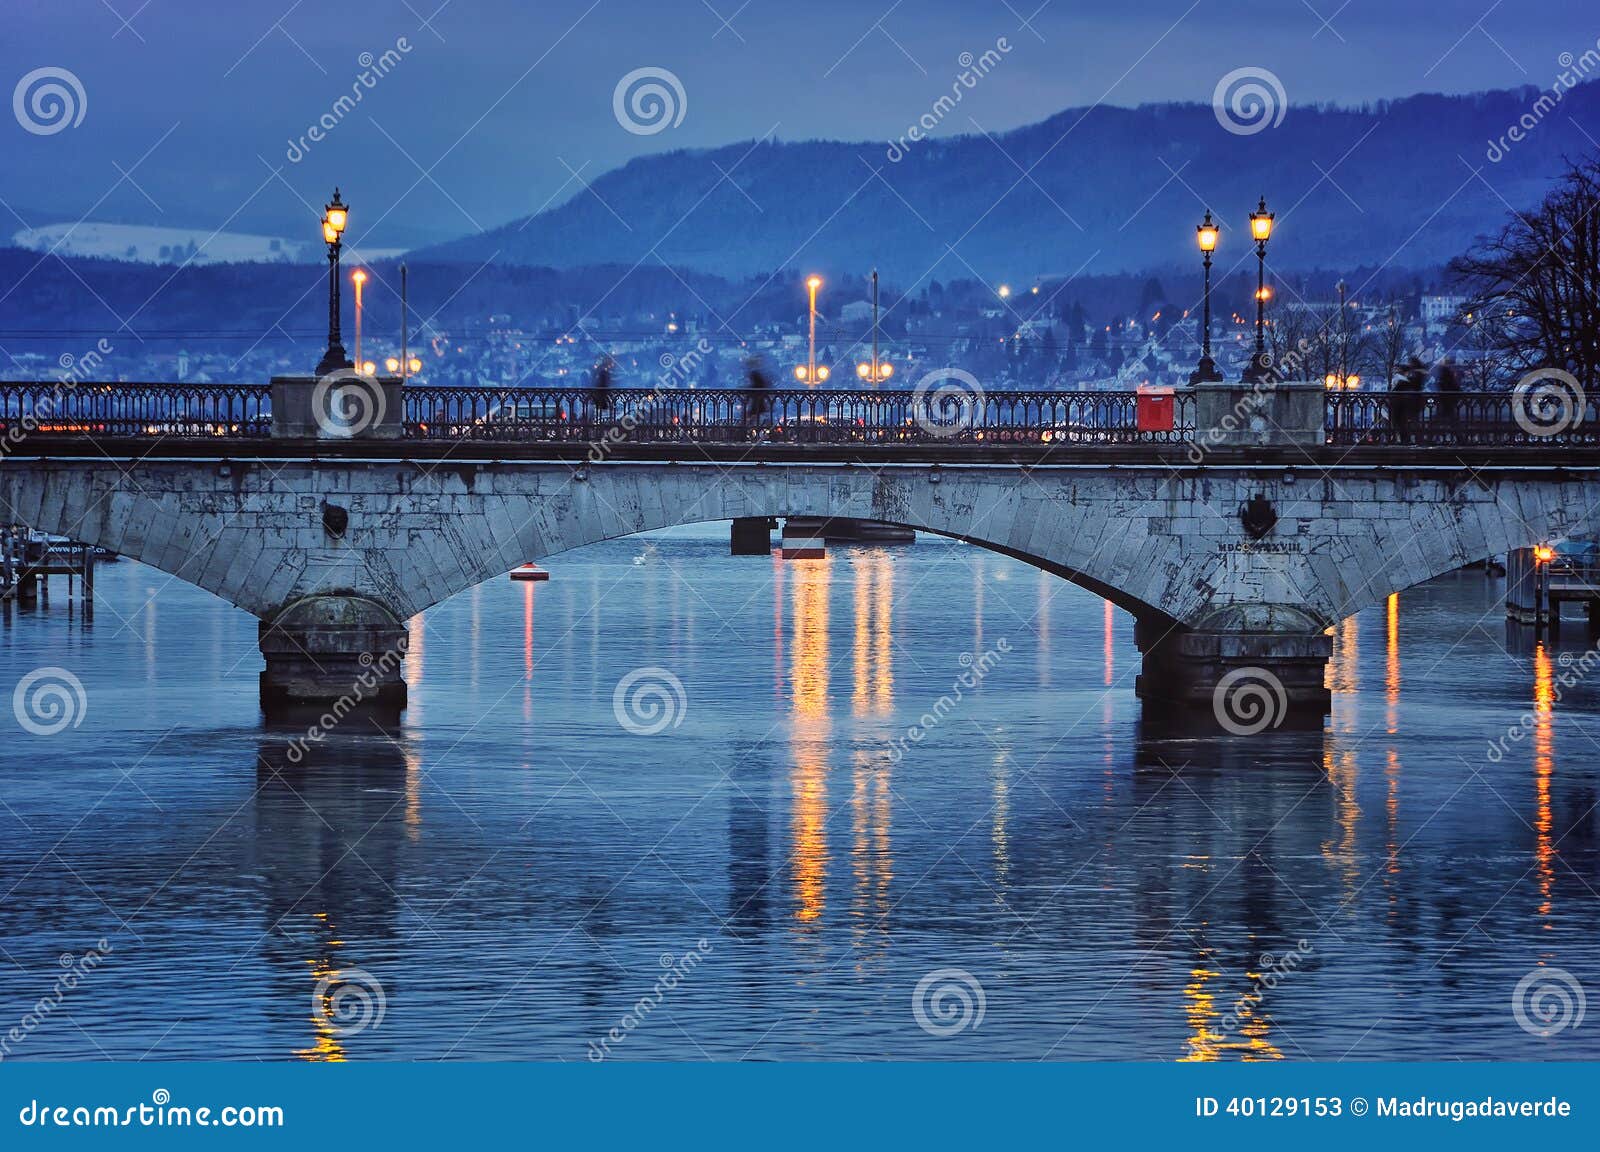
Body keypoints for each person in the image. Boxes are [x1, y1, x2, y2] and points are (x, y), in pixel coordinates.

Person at [1389, 355, 1426, 445]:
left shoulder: (1415, 375)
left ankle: (1408, 440)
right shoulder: (1417, 372)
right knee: (1409, 422)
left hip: (1408, 401)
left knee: (1405, 422)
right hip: (1410, 401)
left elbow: (1414, 383)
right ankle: (1411, 439)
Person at [1433, 354, 1462, 440]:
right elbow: (1456, 387)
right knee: (1452, 422)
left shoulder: (1444, 373)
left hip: (1446, 401)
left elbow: (1446, 386)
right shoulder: (1449, 374)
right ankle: (1460, 439)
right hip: (1448, 401)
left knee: (1437, 421)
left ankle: (1430, 438)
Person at [744, 355, 772, 440]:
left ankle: (750, 435)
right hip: (759, 402)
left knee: (753, 419)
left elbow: (756, 386)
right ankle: (757, 435)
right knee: (755, 419)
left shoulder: (754, 374)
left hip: (757, 402)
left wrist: (747, 390)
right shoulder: (758, 373)